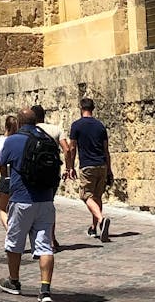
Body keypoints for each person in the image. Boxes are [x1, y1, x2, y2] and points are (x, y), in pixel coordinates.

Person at [0, 107, 60, 302]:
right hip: (46, 199)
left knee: (14, 243)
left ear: (20, 123)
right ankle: (45, 290)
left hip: (21, 200)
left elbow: (3, 167)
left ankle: (14, 282)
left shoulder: (12, 141)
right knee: (45, 246)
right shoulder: (48, 139)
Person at [64, 97, 112, 242]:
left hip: (87, 165)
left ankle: (101, 220)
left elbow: (72, 148)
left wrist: (70, 166)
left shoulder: (76, 126)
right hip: (101, 165)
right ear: (93, 109)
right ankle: (94, 227)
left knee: (86, 196)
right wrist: (109, 170)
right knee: (97, 196)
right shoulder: (100, 126)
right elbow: (106, 150)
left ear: (81, 108)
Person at [31, 105, 65, 251]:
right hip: (53, 173)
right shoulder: (56, 129)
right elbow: (67, 149)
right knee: (49, 204)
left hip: (34, 174)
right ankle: (51, 238)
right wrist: (68, 167)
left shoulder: (30, 131)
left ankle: (38, 238)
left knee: (34, 205)